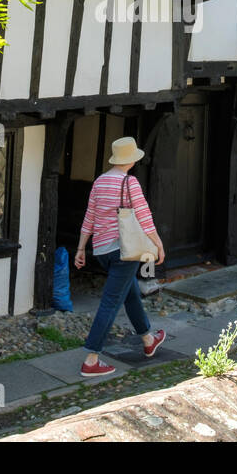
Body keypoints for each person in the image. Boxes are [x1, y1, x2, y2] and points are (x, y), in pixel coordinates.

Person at [74, 136, 167, 378]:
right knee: (111, 302)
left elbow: (90, 216)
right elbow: (144, 217)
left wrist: (81, 248)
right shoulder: (130, 182)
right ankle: (91, 359)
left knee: (130, 291)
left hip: (102, 250)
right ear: (132, 160)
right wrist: (158, 244)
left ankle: (148, 339)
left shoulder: (99, 182)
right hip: (124, 251)